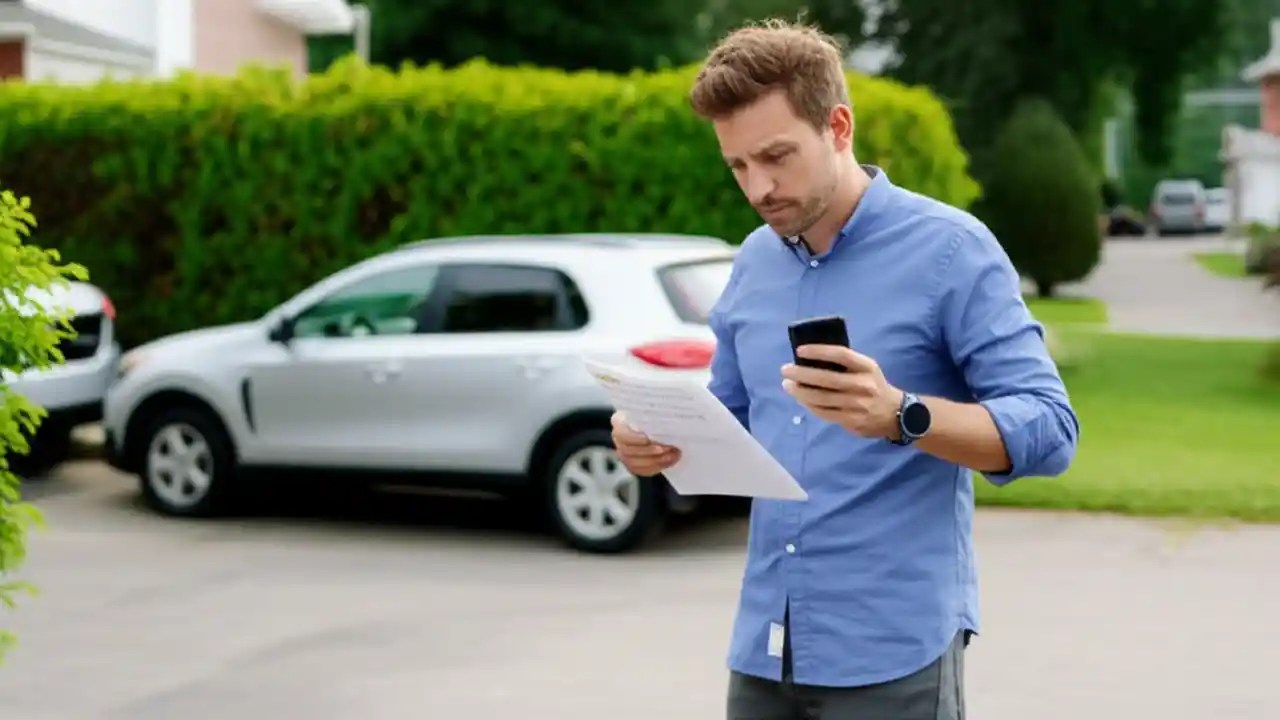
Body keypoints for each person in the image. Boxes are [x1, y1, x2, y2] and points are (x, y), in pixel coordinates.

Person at [610, 18, 1081, 720]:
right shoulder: (754, 262)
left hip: (893, 649)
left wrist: (901, 415)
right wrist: (658, 440)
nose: (758, 188)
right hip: (767, 644)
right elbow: (735, 420)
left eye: (776, 156)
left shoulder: (953, 251)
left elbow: (1052, 429)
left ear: (837, 126)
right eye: (738, 167)